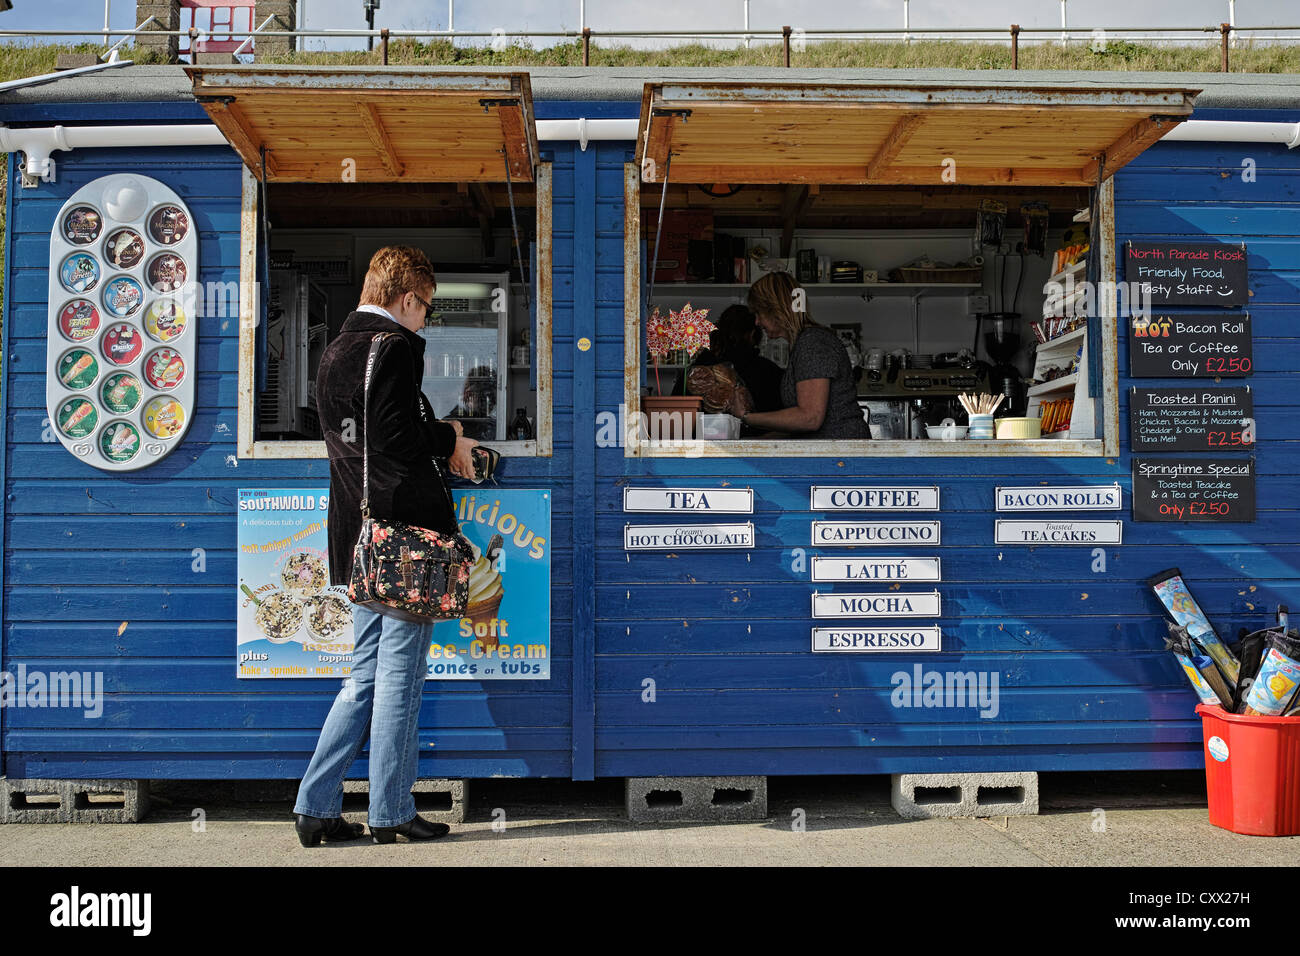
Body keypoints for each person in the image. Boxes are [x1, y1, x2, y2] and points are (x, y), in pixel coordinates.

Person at [293, 245, 479, 847]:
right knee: (400, 676)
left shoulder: (335, 351)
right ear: (404, 298)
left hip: (357, 537)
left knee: (364, 677)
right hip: (401, 545)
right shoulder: (394, 347)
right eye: (425, 306)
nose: (426, 317)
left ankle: (316, 806)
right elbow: (395, 438)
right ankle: (391, 811)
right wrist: (448, 434)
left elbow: (362, 439)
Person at [739, 271, 870, 439]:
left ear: (775, 309)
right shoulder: (805, 342)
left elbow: (810, 418)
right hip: (833, 451)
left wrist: (746, 417)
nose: (757, 322)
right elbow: (803, 424)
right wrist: (759, 441)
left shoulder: (812, 343)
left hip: (841, 454)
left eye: (758, 313)